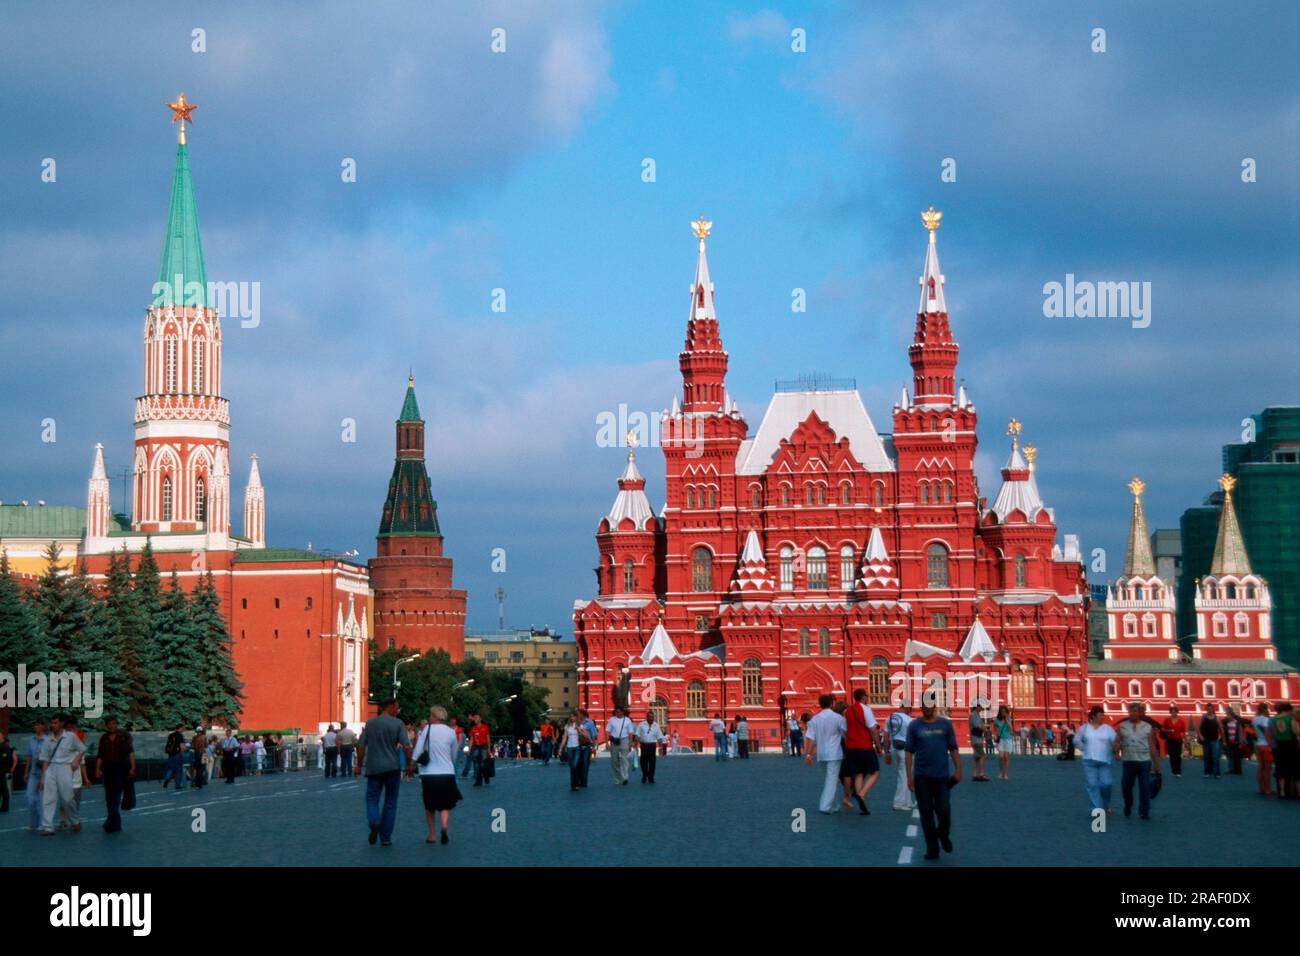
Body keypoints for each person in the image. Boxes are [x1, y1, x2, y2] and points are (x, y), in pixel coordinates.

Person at [905, 696, 961, 860]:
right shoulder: (914, 726)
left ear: (935, 706)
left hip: (942, 777)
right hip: (922, 777)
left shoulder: (945, 724)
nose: (927, 708)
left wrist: (958, 769)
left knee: (944, 810)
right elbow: (909, 752)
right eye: (924, 705)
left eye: (930, 705)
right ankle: (932, 849)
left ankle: (943, 835)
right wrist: (909, 776)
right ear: (921, 707)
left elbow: (953, 748)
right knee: (926, 814)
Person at [358, 698, 411, 847]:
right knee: (390, 802)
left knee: (372, 798)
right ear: (391, 706)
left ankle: (374, 820)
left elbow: (361, 746)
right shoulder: (398, 724)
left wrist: (358, 765)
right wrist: (409, 765)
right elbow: (406, 746)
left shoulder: (370, 723)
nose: (398, 711)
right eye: (397, 707)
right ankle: (386, 837)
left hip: (374, 768)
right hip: (392, 768)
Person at [406, 706, 461, 845]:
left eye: (430, 715)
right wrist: (450, 763)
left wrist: (412, 763)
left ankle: (432, 835)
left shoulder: (427, 730)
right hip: (447, 773)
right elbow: (454, 753)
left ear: (435, 717)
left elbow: (418, 749)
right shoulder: (450, 732)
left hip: (429, 773)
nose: (429, 717)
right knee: (445, 804)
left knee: (429, 805)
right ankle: (444, 827)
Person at [38, 713, 86, 835]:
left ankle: (75, 820)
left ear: (62, 723)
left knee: (67, 798)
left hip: (65, 768)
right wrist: (43, 777)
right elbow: (44, 759)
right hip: (51, 768)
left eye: (55, 723)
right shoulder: (47, 739)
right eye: (52, 723)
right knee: (48, 798)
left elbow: (82, 749)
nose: (53, 725)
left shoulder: (71, 736)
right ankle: (47, 826)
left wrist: (76, 760)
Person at [1117, 702, 1161, 820]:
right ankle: (1128, 803)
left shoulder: (1147, 727)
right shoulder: (1122, 726)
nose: (1133, 713)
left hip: (1144, 762)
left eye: (1135, 711)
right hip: (1128, 761)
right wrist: (1116, 751)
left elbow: (1152, 746)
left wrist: (1156, 764)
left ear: (1140, 713)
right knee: (1126, 786)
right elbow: (1117, 741)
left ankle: (1144, 811)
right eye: (1131, 711)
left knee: (1145, 787)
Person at [804, 694, 847, 814]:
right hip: (834, 753)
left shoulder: (815, 719)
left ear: (820, 704)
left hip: (821, 753)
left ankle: (835, 805)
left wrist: (808, 754)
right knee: (832, 780)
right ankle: (825, 806)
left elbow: (811, 739)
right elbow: (845, 734)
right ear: (832, 704)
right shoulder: (838, 718)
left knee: (831, 779)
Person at [842, 688, 881, 814]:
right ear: (863, 697)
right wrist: (879, 747)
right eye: (867, 696)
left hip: (851, 748)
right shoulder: (866, 709)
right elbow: (873, 729)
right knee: (875, 773)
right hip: (864, 746)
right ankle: (862, 794)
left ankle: (861, 802)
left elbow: (844, 730)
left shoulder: (847, 711)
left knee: (859, 773)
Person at [1073, 705, 1116, 814]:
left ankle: (1106, 805)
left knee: (1106, 784)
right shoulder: (1085, 728)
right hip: (1089, 761)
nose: (1102, 717)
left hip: (1105, 761)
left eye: (1103, 715)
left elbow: (1115, 741)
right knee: (1092, 785)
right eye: (1100, 715)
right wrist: (1084, 748)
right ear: (1093, 716)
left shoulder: (1108, 729)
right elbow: (1076, 740)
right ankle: (1096, 809)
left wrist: (1116, 749)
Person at [96, 717, 135, 833]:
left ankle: (111, 822)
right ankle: (114, 822)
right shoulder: (104, 738)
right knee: (109, 797)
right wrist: (97, 769)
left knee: (116, 796)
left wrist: (133, 767)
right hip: (108, 769)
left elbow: (130, 752)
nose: (112, 726)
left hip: (122, 769)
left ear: (117, 724)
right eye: (110, 724)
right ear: (106, 726)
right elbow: (100, 755)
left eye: (114, 723)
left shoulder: (124, 736)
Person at [885, 703, 915, 811]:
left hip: (894, 748)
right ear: (906, 707)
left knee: (901, 774)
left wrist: (887, 752)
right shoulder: (909, 720)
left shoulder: (889, 717)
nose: (910, 711)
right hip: (905, 750)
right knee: (905, 775)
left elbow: (886, 735)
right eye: (910, 709)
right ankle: (899, 803)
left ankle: (908, 801)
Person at [23, 719, 48, 830]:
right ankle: (34, 821)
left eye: (38, 725)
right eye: (35, 725)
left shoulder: (48, 740)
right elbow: (29, 757)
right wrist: (26, 772)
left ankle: (43, 823)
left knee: (42, 799)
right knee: (30, 797)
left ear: (43, 726)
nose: (36, 727)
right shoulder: (31, 740)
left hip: (45, 773)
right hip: (33, 772)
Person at [1271, 702, 1297, 798]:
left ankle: (1282, 791)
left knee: (1280, 768)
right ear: (1288, 710)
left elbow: (1272, 734)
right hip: (1290, 745)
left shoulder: (1273, 720)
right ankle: (1294, 791)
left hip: (1278, 745)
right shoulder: (1291, 719)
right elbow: (1295, 731)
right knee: (1293, 767)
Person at [635, 711, 666, 784]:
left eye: (652, 717)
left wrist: (660, 747)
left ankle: (651, 778)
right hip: (644, 746)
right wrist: (635, 746)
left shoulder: (656, 725)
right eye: (650, 717)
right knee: (643, 763)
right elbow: (637, 736)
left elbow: (659, 738)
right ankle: (645, 775)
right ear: (647, 717)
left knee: (652, 764)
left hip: (652, 746)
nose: (651, 718)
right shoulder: (641, 725)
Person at [606, 707, 633, 786]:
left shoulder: (627, 720)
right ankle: (617, 779)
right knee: (615, 761)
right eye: (616, 712)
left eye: (619, 712)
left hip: (624, 740)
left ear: (622, 712)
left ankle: (625, 777)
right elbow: (607, 731)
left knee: (624, 759)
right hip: (614, 741)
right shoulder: (611, 720)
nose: (617, 713)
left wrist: (630, 743)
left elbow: (630, 733)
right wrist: (607, 743)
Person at [1252, 703, 1274, 796]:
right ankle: (1267, 789)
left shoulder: (1255, 719)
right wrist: (1270, 744)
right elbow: (1266, 732)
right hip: (1265, 744)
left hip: (1258, 744)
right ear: (1265, 709)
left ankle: (1261, 788)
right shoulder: (1265, 720)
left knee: (1260, 767)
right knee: (1267, 768)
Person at [1198, 704, 1222, 778]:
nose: (1209, 710)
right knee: (1206, 757)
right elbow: (1198, 727)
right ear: (1206, 709)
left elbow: (1221, 728)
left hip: (1215, 740)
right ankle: (1207, 772)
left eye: (1211, 709)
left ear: (1213, 709)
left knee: (1215, 757)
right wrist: (1200, 736)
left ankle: (1217, 773)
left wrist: (1221, 736)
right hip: (1206, 740)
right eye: (1208, 709)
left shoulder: (1216, 718)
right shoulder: (1203, 717)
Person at [1160, 705, 1185, 777]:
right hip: (1169, 740)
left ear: (1177, 712)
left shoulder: (1181, 721)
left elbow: (1183, 731)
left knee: (1178, 755)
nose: (1173, 713)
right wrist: (1169, 730)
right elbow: (1162, 729)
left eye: (1175, 712)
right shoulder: (1167, 720)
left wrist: (1185, 740)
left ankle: (1178, 771)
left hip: (1178, 740)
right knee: (1172, 755)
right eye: (1172, 712)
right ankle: (1174, 771)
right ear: (1170, 712)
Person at [563, 713, 584, 791]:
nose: (572, 718)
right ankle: (573, 785)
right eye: (571, 716)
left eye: (573, 716)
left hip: (577, 747)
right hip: (569, 748)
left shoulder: (579, 725)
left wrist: (578, 730)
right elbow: (565, 738)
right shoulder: (567, 726)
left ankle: (576, 784)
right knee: (572, 767)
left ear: (576, 717)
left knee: (575, 766)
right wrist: (560, 748)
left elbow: (583, 734)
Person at [993, 705, 1014, 780]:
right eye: (1002, 712)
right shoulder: (996, 721)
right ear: (1000, 712)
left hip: (1008, 739)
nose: (1003, 713)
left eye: (1004, 712)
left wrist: (1007, 720)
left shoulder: (1009, 719)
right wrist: (995, 735)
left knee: (1006, 757)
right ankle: (1001, 772)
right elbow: (995, 729)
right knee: (1001, 757)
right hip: (1000, 740)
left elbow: (1011, 730)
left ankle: (1005, 774)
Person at [968, 706, 989, 781]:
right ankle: (981, 774)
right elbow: (978, 726)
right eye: (981, 707)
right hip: (976, 739)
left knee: (976, 757)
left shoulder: (976, 715)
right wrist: (985, 729)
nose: (982, 709)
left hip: (977, 738)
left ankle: (975, 775)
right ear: (977, 707)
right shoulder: (974, 715)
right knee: (982, 755)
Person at [162, 724, 185, 791]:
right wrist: (184, 750)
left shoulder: (171, 735)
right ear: (179, 728)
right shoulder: (180, 736)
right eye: (182, 728)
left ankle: (167, 779)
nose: (183, 730)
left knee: (170, 768)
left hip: (171, 754)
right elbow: (182, 747)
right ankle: (178, 785)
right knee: (178, 769)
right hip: (177, 754)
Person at [1223, 707, 1245, 775]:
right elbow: (1224, 732)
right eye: (1226, 714)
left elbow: (1240, 732)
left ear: (1231, 714)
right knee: (1230, 756)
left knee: (1237, 756)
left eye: (1227, 714)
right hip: (1229, 742)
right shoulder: (1226, 723)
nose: (1226, 716)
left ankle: (1238, 770)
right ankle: (1231, 769)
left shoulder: (1237, 722)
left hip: (1236, 742)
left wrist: (1241, 742)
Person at [579, 710, 598, 786]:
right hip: (577, 745)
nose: (578, 715)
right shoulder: (576, 722)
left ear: (583, 714)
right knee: (578, 764)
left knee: (585, 763)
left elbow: (593, 735)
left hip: (587, 745)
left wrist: (593, 746)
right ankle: (579, 779)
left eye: (579, 714)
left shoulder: (590, 723)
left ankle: (584, 781)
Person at [0, 729, 16, 813]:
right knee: (3, 789)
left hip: (2, 770)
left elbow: (6, 758)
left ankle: (5, 807)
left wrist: (12, 768)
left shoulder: (5, 746)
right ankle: (3, 806)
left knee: (4, 789)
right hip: (2, 769)